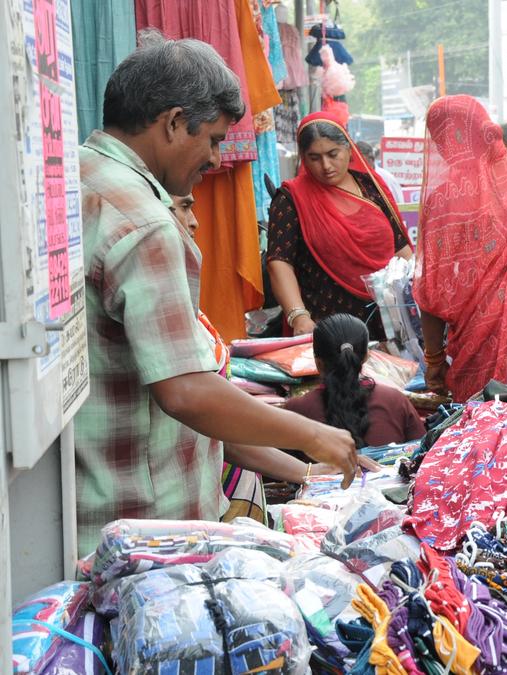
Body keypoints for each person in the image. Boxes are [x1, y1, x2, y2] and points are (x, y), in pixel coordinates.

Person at [76, 36, 359, 557]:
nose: (213, 158)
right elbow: (186, 392)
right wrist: (312, 435)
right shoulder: (146, 222)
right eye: (212, 139)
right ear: (173, 122)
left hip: (89, 511)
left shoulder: (77, 177)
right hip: (146, 531)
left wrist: (302, 467)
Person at [170, 193, 379, 524]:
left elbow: (220, 432)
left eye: (193, 206)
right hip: (172, 509)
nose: (194, 221)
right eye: (182, 207)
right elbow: (195, 404)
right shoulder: (168, 321)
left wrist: (310, 471)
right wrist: (312, 438)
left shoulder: (189, 312)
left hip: (211, 497)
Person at [412, 95, 507, 401]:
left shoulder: (443, 199)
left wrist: (434, 360)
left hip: (476, 336)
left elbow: (432, 291)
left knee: (481, 418)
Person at [267, 113, 413, 341]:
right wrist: (299, 317)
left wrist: (417, 296)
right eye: (314, 158)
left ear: (348, 149)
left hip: (387, 319)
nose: (326, 166)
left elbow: (401, 248)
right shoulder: (290, 199)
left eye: (333, 154)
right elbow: (279, 262)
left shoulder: (370, 187)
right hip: (326, 325)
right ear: (303, 158)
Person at [284, 314, 426, 446]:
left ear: (318, 363)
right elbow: (424, 451)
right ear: (366, 357)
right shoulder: (394, 399)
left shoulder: (297, 409)